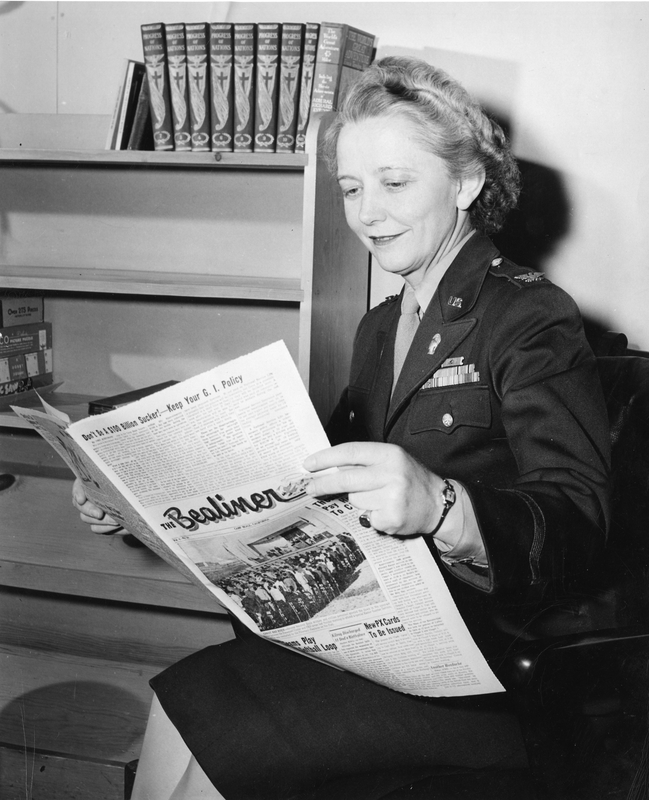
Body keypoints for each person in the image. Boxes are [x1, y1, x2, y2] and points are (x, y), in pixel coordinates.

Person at [72, 56, 610, 799]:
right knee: (180, 700)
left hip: (485, 670)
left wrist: (443, 506)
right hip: (374, 643)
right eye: (352, 189)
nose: (367, 214)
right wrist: (141, 507)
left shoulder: (528, 315)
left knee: (220, 740)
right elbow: (302, 495)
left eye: (394, 184)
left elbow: (580, 524)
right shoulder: (379, 327)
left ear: (465, 183)